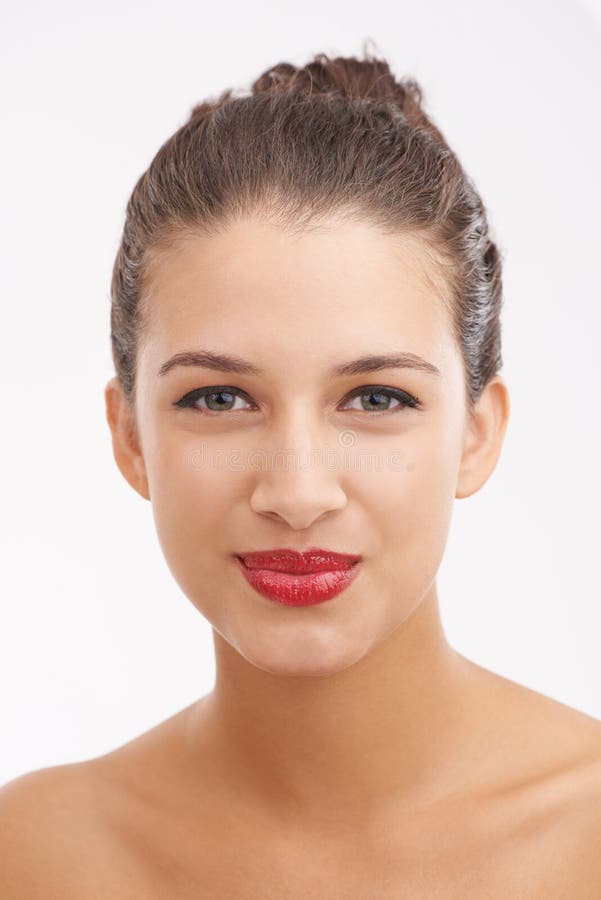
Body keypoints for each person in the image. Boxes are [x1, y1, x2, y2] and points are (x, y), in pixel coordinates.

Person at [2, 49, 601, 898]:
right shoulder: (33, 857)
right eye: (218, 399)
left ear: (475, 434)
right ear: (128, 435)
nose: (296, 493)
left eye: (375, 398)